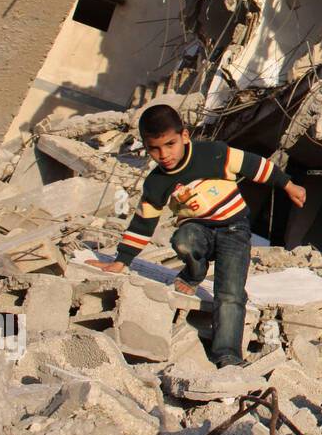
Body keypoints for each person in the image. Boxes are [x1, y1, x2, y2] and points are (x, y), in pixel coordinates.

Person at [85, 103, 306, 367]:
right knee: (183, 240)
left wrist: (288, 185)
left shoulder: (212, 154)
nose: (164, 154)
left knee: (230, 294)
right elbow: (143, 222)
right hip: (198, 232)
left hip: (234, 230)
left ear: (185, 136)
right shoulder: (156, 183)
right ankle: (194, 272)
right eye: (154, 148)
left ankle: (227, 355)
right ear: (145, 146)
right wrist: (122, 261)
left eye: (170, 144)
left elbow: (253, 165)